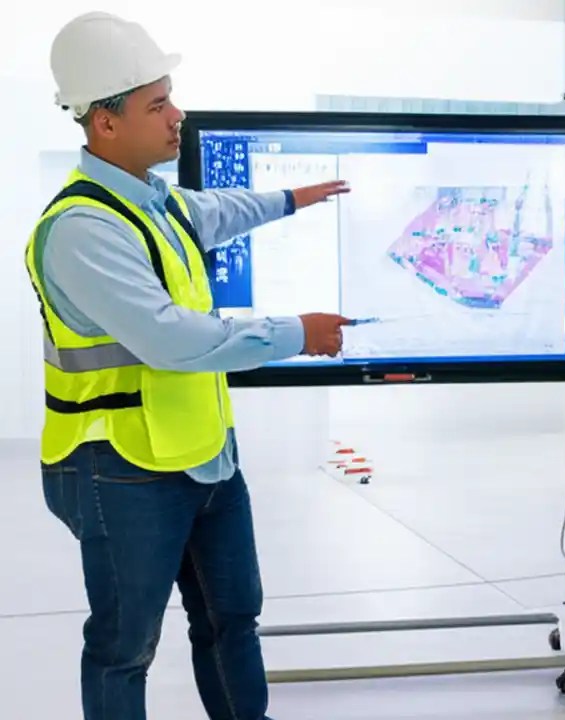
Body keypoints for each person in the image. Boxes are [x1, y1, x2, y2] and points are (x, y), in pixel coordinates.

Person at [31, 12, 352, 720]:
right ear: (104, 123)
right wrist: (297, 331)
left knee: (233, 620)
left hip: (203, 456)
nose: (179, 116)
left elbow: (215, 212)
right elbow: (173, 340)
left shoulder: (156, 201)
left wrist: (292, 198)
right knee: (125, 647)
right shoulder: (82, 230)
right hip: (119, 469)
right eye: (157, 104)